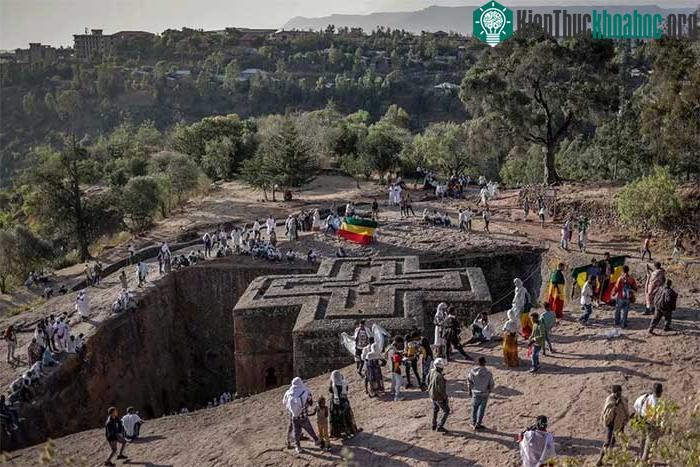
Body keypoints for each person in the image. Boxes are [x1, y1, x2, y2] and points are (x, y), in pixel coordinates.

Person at [283, 377, 320, 454]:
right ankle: (316, 440)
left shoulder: (289, 392)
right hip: (303, 415)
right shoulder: (306, 392)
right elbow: (310, 403)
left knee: (296, 431)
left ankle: (297, 446)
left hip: (293, 416)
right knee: (309, 428)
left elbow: (285, 403)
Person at [634, 383, 664, 462]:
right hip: (650, 423)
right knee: (649, 442)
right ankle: (644, 460)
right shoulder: (658, 403)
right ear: (660, 392)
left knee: (643, 438)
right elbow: (657, 417)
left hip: (641, 419)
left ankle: (641, 455)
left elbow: (636, 405)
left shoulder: (645, 396)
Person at [328, 370, 359, 438]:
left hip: (336, 403)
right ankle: (350, 430)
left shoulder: (333, 385)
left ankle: (339, 432)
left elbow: (330, 390)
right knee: (346, 415)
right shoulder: (344, 383)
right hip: (344, 401)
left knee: (337, 417)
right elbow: (346, 390)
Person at [467, 357, 495, 430]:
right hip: (484, 393)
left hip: (475, 393)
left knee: (474, 408)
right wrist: (489, 391)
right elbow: (491, 384)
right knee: (481, 410)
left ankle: (473, 423)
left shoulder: (472, 372)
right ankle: (478, 424)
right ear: (484, 363)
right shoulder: (488, 373)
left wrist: (469, 390)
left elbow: (469, 382)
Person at [601, 385, 629, 450]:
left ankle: (618, 448)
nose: (619, 394)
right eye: (618, 393)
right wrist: (615, 405)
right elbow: (607, 411)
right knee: (609, 439)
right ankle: (604, 452)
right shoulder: (609, 399)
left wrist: (626, 417)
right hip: (611, 422)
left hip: (620, 421)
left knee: (618, 435)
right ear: (614, 393)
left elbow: (625, 409)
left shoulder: (623, 399)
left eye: (620, 393)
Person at [428, 358, 449, 432]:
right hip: (438, 396)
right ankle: (440, 426)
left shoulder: (431, 371)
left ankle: (433, 425)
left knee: (435, 410)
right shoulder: (439, 376)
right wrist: (444, 398)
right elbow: (441, 390)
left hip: (432, 394)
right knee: (446, 411)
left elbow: (428, 380)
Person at [387, 337, 404, 402]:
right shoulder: (393, 350)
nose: (400, 345)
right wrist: (397, 369)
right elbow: (396, 360)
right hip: (395, 367)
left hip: (391, 367)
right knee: (399, 381)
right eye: (400, 343)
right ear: (397, 342)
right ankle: (397, 396)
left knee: (394, 380)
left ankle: (392, 391)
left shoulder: (390, 348)